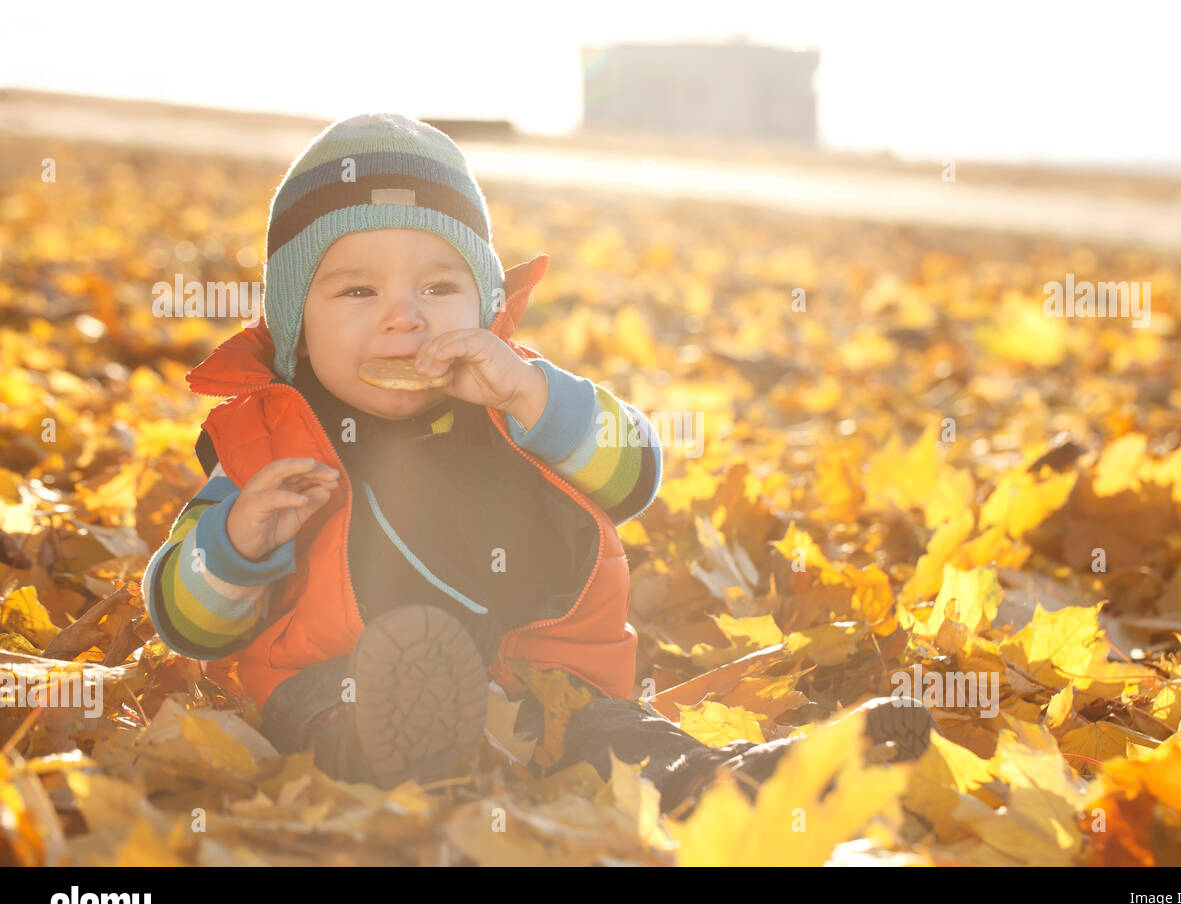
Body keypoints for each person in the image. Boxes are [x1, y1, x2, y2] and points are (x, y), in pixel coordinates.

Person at [142, 113, 934, 817]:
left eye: (439, 286)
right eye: (356, 290)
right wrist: (238, 547)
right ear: (294, 326)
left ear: (485, 306)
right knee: (329, 713)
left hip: (540, 680)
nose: (403, 315)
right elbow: (187, 622)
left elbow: (635, 479)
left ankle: (738, 784)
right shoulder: (271, 450)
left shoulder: (518, 401)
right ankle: (403, 760)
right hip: (342, 678)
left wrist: (539, 401)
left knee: (613, 734)